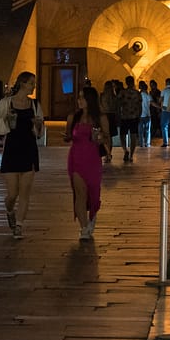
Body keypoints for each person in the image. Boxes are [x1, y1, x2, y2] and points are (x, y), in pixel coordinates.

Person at [0, 71, 44, 239]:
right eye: (31, 83)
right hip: (12, 149)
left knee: (25, 192)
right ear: (22, 83)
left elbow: (40, 131)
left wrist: (38, 125)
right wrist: (7, 121)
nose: (33, 86)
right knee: (12, 194)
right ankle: (9, 210)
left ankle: (19, 226)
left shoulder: (35, 105)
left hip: (29, 148)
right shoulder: (6, 103)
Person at [66, 96, 105, 241]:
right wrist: (68, 137)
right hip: (76, 157)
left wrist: (99, 138)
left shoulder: (99, 118)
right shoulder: (74, 117)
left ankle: (92, 215)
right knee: (80, 194)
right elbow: (68, 135)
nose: (79, 100)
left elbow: (106, 138)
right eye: (79, 98)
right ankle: (83, 227)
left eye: (83, 97)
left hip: (92, 158)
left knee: (93, 193)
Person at [118, 76, 144, 162]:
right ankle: (131, 155)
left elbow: (118, 104)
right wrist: (139, 115)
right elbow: (140, 106)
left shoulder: (122, 93)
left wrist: (118, 115)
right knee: (133, 136)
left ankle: (125, 150)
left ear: (126, 82)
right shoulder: (137, 93)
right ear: (133, 82)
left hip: (124, 117)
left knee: (122, 135)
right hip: (134, 117)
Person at [159, 78, 170, 148]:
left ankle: (165, 142)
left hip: (165, 109)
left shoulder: (164, 91)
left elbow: (160, 100)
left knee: (164, 126)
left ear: (166, 83)